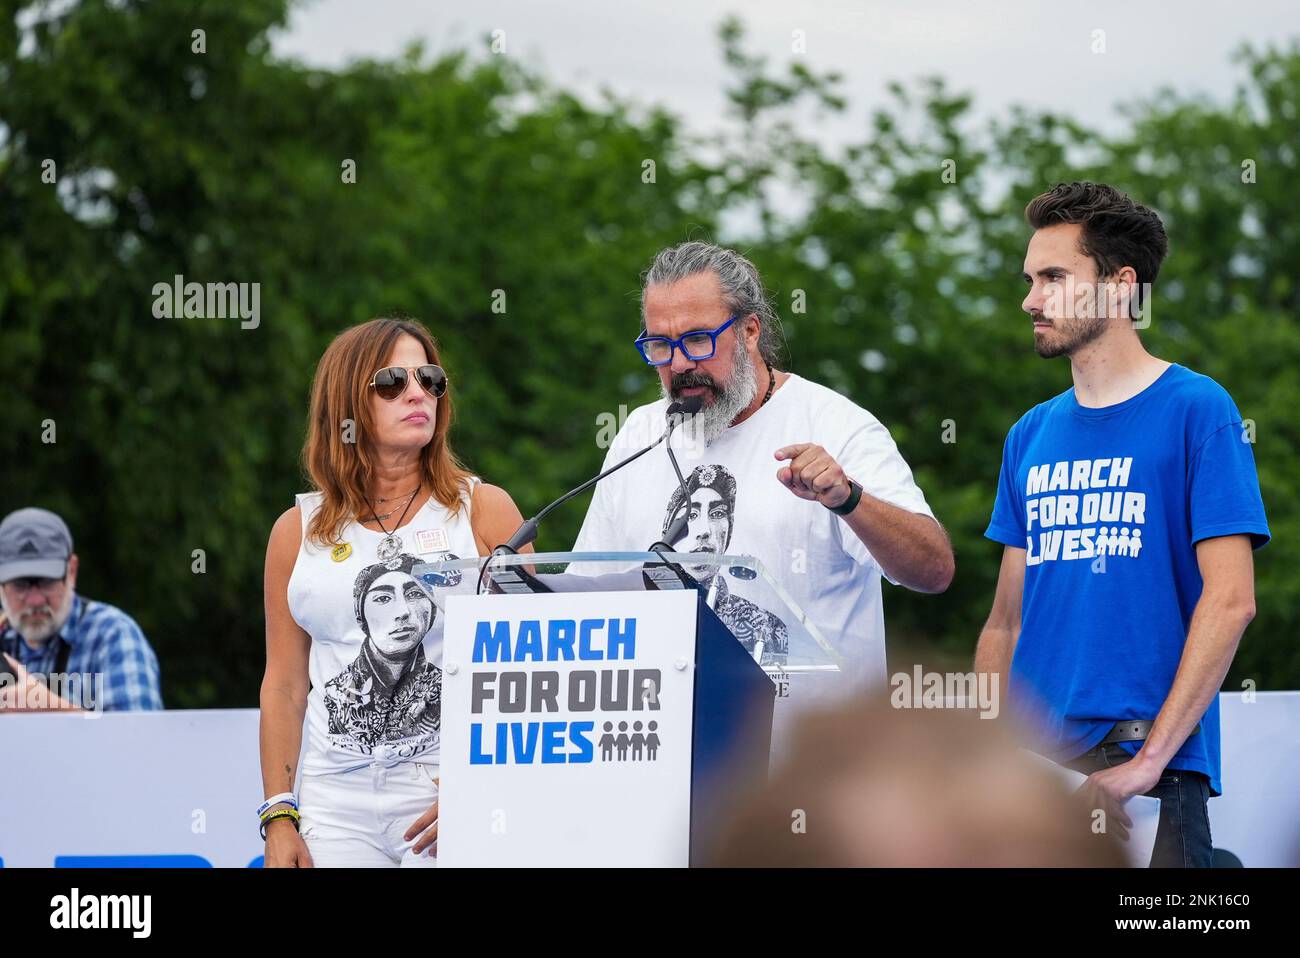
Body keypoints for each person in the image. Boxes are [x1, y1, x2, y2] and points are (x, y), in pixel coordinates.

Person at [975, 182, 1269, 867]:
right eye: (1030, 279)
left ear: (1119, 286)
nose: (1030, 299)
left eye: (1053, 277)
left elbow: (1231, 601)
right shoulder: (1029, 433)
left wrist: (1147, 763)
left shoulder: (1199, 408)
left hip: (1148, 766)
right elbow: (1004, 623)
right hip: (1035, 774)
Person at [573, 241, 953, 696]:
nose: (678, 364)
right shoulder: (639, 434)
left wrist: (849, 499)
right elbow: (587, 596)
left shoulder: (837, 425)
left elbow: (933, 570)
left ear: (750, 331)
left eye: (697, 340)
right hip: (671, 752)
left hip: (814, 758)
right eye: (659, 345)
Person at [259, 316, 529, 868]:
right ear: (347, 403)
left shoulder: (484, 511)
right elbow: (284, 683)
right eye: (393, 382)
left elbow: (532, 666)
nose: (418, 393)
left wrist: (480, 786)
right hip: (332, 802)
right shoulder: (296, 530)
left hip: (446, 789)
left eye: (430, 379)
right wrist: (279, 815)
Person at [0, 507, 162, 712]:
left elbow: (140, 740)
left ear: (72, 572)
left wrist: (50, 710)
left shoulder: (113, 635)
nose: (35, 600)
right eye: (19, 584)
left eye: (47, 581)